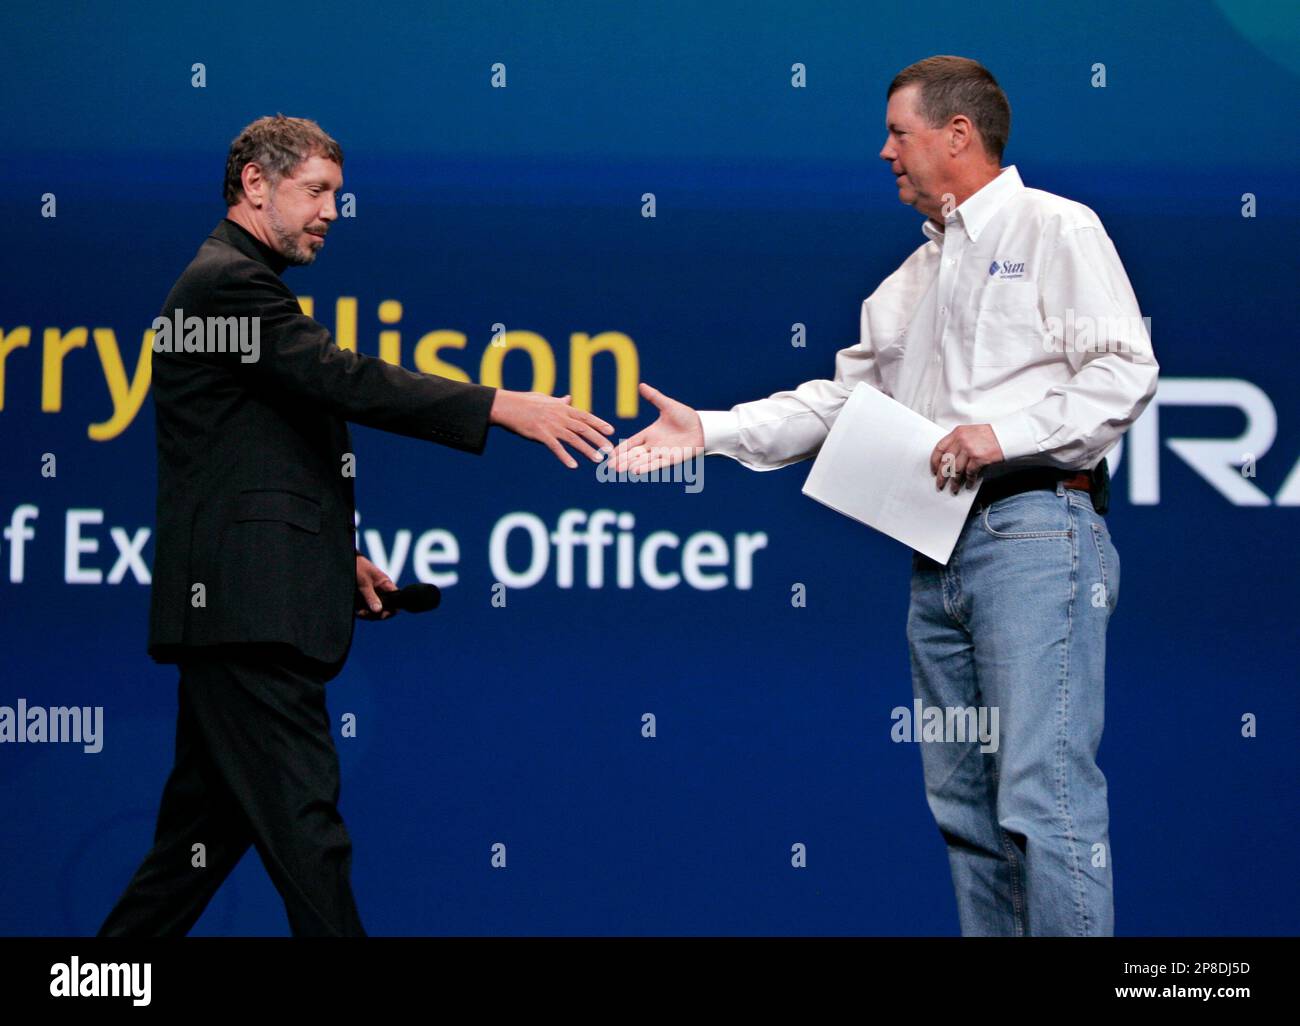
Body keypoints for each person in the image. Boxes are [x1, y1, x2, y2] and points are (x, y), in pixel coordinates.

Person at [608, 56, 1159, 936]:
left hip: (1033, 532)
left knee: (1040, 791)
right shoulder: (914, 278)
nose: (883, 152)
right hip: (938, 559)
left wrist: (1000, 434)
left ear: (958, 136)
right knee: (965, 808)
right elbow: (838, 405)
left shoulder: (1054, 227)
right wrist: (708, 431)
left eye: (898, 133)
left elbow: (1127, 369)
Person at [98, 114, 614, 937]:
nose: (334, 210)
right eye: (316, 191)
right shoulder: (224, 284)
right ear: (256, 185)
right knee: (308, 834)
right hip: (246, 616)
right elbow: (344, 378)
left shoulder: (238, 286)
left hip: (240, 610)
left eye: (337, 193)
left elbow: (256, 457)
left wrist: (334, 556)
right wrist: (498, 405)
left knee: (192, 849)